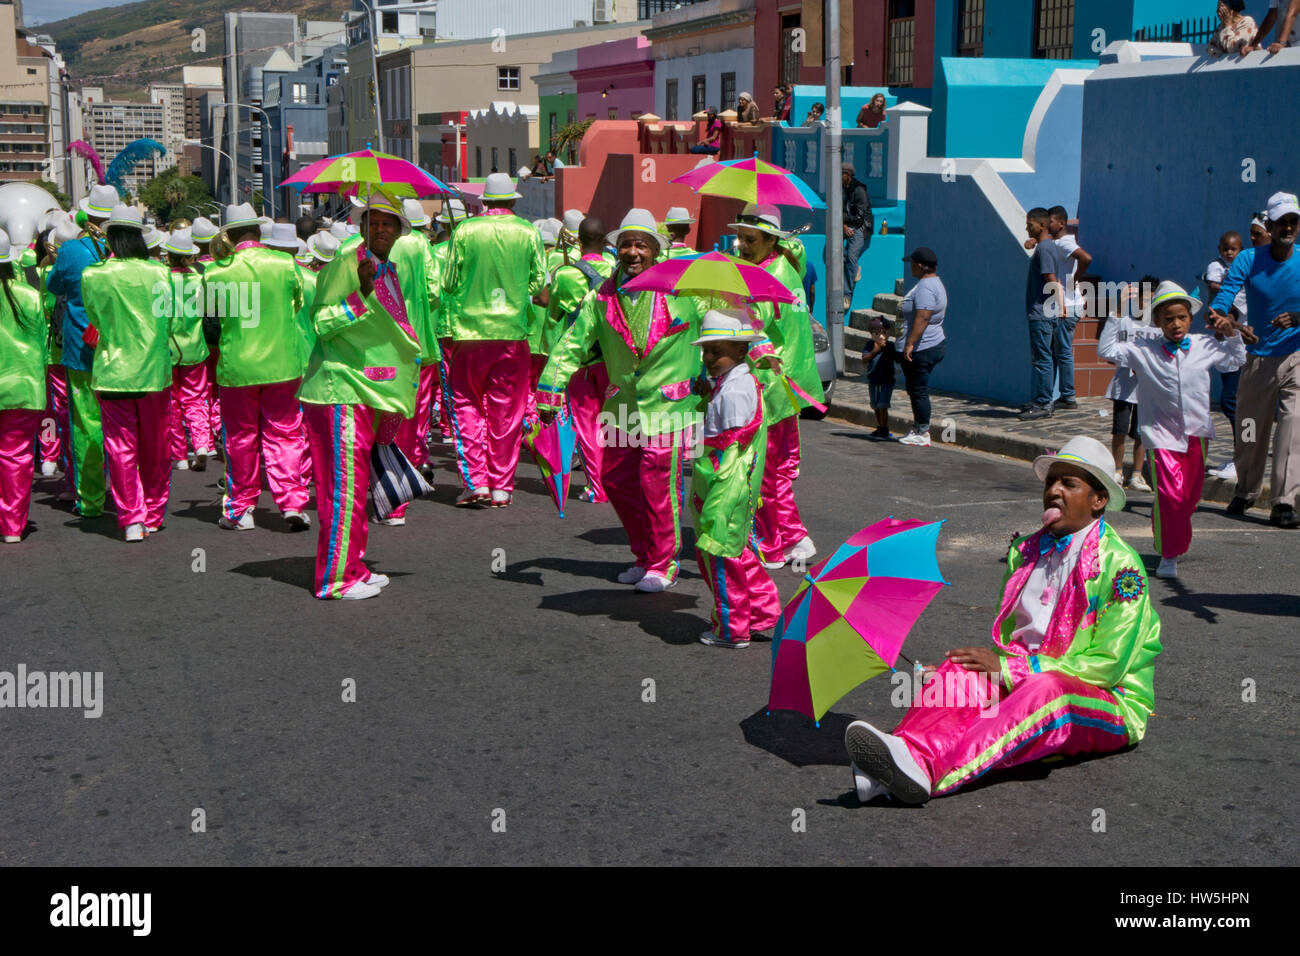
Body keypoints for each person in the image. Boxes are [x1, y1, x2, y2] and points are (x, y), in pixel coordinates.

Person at [844, 436, 1161, 805]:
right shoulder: (1024, 550)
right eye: (1050, 482)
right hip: (1030, 678)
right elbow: (1013, 643)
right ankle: (900, 758)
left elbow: (1107, 665)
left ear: (1098, 500)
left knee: (1046, 693)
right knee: (960, 670)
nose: (1054, 490)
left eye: (1069, 484)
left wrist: (1009, 671)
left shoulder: (1122, 566)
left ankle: (927, 773)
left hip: (1106, 700)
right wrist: (968, 679)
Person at [538, 209, 707, 592]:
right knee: (615, 480)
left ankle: (664, 563)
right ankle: (645, 554)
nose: (633, 252)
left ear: (655, 250)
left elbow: (725, 317)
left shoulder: (683, 288)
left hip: (669, 405)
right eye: (627, 244)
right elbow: (574, 342)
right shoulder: (602, 294)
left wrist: (754, 354)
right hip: (623, 407)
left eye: (641, 245)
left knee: (657, 482)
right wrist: (550, 387)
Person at [298, 193, 421, 600]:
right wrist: (361, 293)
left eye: (391, 222)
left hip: (364, 388)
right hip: (338, 388)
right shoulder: (349, 260)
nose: (383, 229)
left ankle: (353, 564)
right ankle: (335, 579)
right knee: (343, 488)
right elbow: (320, 321)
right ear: (363, 224)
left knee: (357, 483)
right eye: (376, 221)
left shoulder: (387, 265)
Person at [1100, 282, 1246, 578]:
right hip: (1161, 435)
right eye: (1168, 319)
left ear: (1190, 319)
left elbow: (1235, 361)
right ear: (1157, 323)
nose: (1176, 324)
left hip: (1197, 434)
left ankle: (1170, 533)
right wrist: (1116, 314)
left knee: (1189, 499)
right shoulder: (1144, 349)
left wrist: (1232, 335)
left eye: (1181, 317)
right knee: (1170, 496)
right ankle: (1168, 554)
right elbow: (1107, 349)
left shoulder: (1205, 346)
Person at [440, 172, 547, 507]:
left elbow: (448, 281)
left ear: (484, 201)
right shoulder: (528, 232)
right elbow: (538, 283)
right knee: (507, 412)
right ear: (512, 201)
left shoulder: (466, 231)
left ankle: (476, 481)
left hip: (469, 333)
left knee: (466, 405)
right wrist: (513, 293)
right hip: (513, 335)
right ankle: (502, 485)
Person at [202, 203, 311, 532]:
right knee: (286, 434)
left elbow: (212, 320)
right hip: (283, 363)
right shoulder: (285, 265)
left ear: (230, 235)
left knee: (241, 438)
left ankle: (242, 509)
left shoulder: (216, 270)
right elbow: (297, 306)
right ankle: (293, 503)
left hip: (238, 366)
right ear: (258, 232)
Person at [729, 203, 823, 568]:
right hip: (787, 387)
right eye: (740, 237)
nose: (741, 245)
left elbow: (753, 327)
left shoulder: (767, 277)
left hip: (771, 386)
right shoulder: (785, 265)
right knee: (777, 470)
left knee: (764, 473)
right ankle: (796, 537)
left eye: (749, 239)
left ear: (771, 240)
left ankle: (770, 545)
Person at [82, 206, 173, 542]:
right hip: (152, 372)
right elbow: (169, 319)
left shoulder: (93, 275)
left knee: (120, 449)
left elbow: (95, 318)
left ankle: (131, 518)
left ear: (110, 238)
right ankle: (152, 511)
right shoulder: (159, 273)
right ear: (138, 237)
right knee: (156, 447)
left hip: (112, 372)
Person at [1209, 191, 1300, 527]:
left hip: (1296, 356)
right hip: (1259, 358)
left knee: (1293, 430)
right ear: (1270, 225)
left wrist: (1298, 317)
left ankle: (1283, 503)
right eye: (1282, 222)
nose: (1288, 227)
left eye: (1294, 221)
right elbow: (1223, 300)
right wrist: (1228, 321)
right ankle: (1246, 490)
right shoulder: (1249, 259)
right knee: (1249, 430)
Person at [690, 309, 780, 648]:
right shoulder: (735, 381)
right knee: (737, 551)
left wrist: (715, 505)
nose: (709, 358)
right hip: (728, 484)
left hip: (724, 486)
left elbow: (728, 450)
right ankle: (758, 612)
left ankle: (732, 628)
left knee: (721, 555)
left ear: (740, 351)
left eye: (717, 351)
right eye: (706, 351)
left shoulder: (733, 391)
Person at [46, 182, 116, 518]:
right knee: (125, 424)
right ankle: (129, 494)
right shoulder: (127, 247)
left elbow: (53, 284)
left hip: (81, 345)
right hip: (125, 346)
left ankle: (90, 499)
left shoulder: (73, 250)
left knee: (86, 422)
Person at [380, 198, 442, 526]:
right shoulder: (419, 245)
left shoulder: (355, 246)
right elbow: (434, 291)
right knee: (412, 415)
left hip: (375, 347)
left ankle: (382, 488)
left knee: (377, 419)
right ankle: (407, 476)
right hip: (416, 341)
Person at [545, 216, 613, 504]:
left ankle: (597, 487)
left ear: (579, 240)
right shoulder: (615, 269)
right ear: (605, 240)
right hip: (611, 358)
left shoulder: (566, 274)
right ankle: (615, 481)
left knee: (587, 426)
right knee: (616, 424)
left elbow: (555, 315)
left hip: (580, 360)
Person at [0, 228, 46, 543]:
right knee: (17, 455)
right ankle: (12, 526)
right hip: (26, 385)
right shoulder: (30, 294)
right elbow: (42, 344)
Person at [161, 228, 216, 474]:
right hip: (195, 347)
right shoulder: (199, 279)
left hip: (168, 349)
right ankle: (203, 443)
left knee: (171, 403)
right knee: (196, 400)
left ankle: (179, 455)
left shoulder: (161, 280)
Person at [1103, 277, 1159, 493]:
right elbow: (1110, 350)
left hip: (1146, 389)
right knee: (1119, 430)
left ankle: (1137, 474)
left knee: (1141, 433)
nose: (1145, 304)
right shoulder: (1124, 322)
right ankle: (1117, 471)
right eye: (1142, 299)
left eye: (1150, 300)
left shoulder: (1156, 328)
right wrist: (1128, 361)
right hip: (1123, 386)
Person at [1204, 231, 1250, 481]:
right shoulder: (1218, 268)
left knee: (1236, 404)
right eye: (1226, 249)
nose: (1230, 253)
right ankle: (1241, 455)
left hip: (1240, 344)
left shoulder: (1248, 271)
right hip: (1229, 343)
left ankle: (1243, 457)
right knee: (1233, 403)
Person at [1020, 207, 1069, 420]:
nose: (1026, 227)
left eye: (1030, 224)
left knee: (1043, 359)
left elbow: (1051, 279)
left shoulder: (1045, 249)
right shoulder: (1045, 247)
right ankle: (1041, 399)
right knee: (1043, 358)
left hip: (1042, 313)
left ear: (1041, 225)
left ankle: (1042, 403)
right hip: (1043, 312)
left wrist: (1060, 305)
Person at [895, 247, 947, 448]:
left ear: (918, 265)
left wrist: (910, 343)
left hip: (923, 347)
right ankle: (918, 427)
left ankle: (922, 431)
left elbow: (923, 316)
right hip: (929, 344)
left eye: (911, 263)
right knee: (916, 388)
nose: (909, 267)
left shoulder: (925, 287)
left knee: (918, 390)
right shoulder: (934, 283)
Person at [1048, 205, 1091, 411]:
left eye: (1051, 221)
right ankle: (1063, 394)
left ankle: (1068, 396)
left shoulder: (1065, 242)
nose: (1048, 224)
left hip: (1068, 304)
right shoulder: (1056, 242)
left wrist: (1075, 278)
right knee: (1058, 351)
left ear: (1061, 223)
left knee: (1062, 351)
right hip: (1064, 303)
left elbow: (1086, 258)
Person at [842, 163, 873, 310]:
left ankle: (847, 295)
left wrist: (846, 223)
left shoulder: (859, 190)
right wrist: (844, 226)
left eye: (841, 174)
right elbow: (837, 211)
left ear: (847, 175)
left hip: (861, 227)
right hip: (847, 225)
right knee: (836, 252)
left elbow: (859, 218)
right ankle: (853, 269)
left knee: (852, 256)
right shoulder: (842, 189)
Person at [862, 318, 897, 440]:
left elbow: (897, 357)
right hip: (874, 379)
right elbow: (865, 359)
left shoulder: (891, 346)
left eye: (883, 333)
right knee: (875, 405)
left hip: (887, 380)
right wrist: (875, 350)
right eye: (876, 333)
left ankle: (884, 428)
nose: (880, 336)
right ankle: (880, 426)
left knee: (883, 405)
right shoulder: (870, 345)